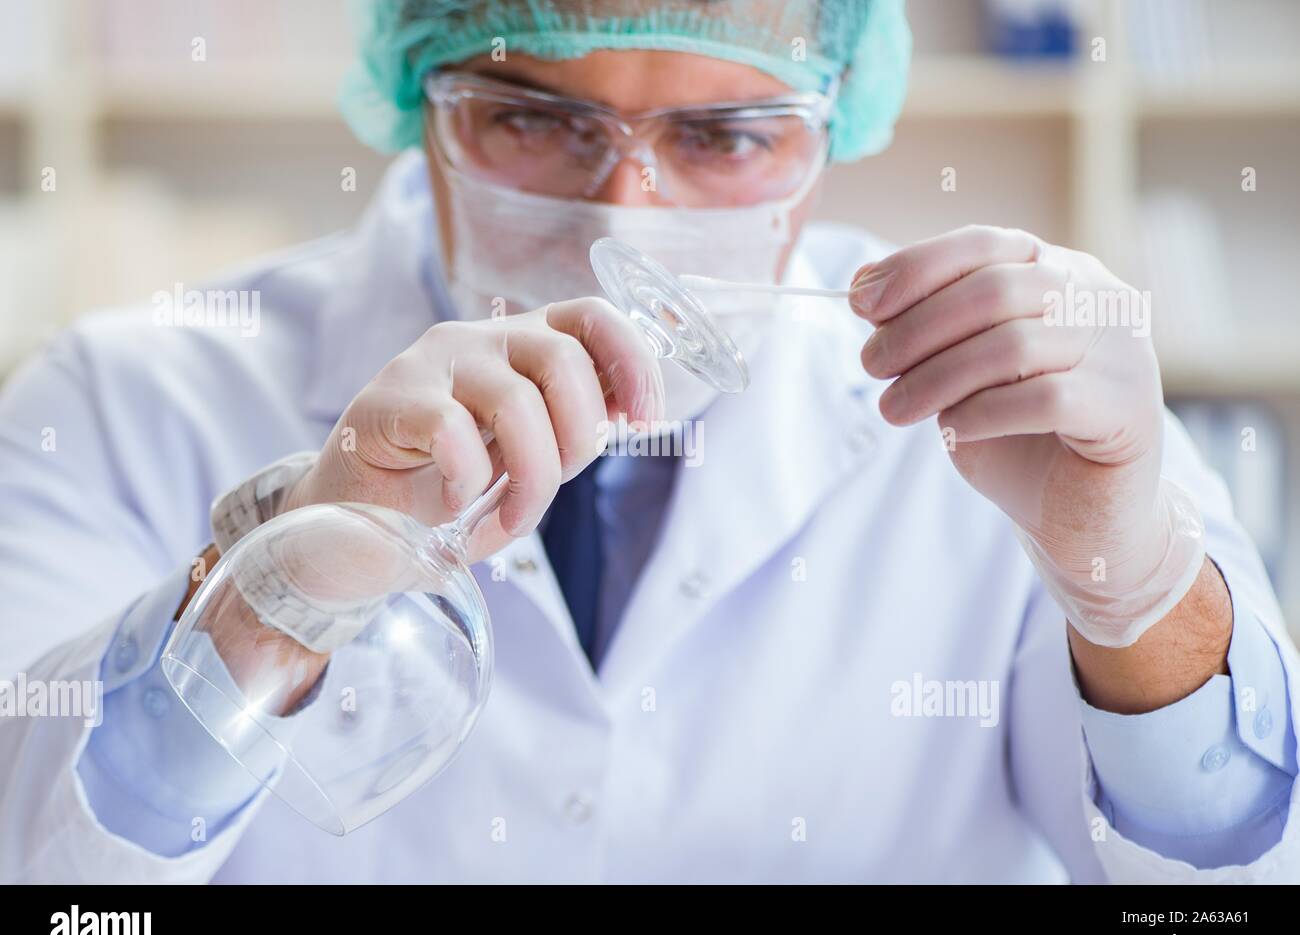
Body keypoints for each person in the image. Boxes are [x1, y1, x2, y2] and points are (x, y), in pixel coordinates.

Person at [1, 0, 1295, 884]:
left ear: (829, 125)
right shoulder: (124, 400)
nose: (627, 212)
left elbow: (1215, 904)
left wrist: (1135, 586)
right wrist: (282, 584)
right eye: (532, 118)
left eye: (725, 137)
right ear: (419, 96)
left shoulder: (1011, 407)